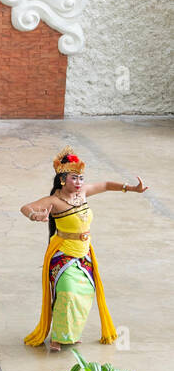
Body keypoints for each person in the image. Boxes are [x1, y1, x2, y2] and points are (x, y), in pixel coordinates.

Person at [22, 148, 148, 352]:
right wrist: (34, 216)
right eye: (75, 178)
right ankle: (57, 337)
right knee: (67, 292)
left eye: (81, 178)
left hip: (85, 253)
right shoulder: (54, 201)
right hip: (63, 254)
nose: (79, 182)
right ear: (63, 179)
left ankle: (70, 334)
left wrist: (132, 188)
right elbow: (26, 207)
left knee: (86, 292)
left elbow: (106, 185)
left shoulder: (83, 193)